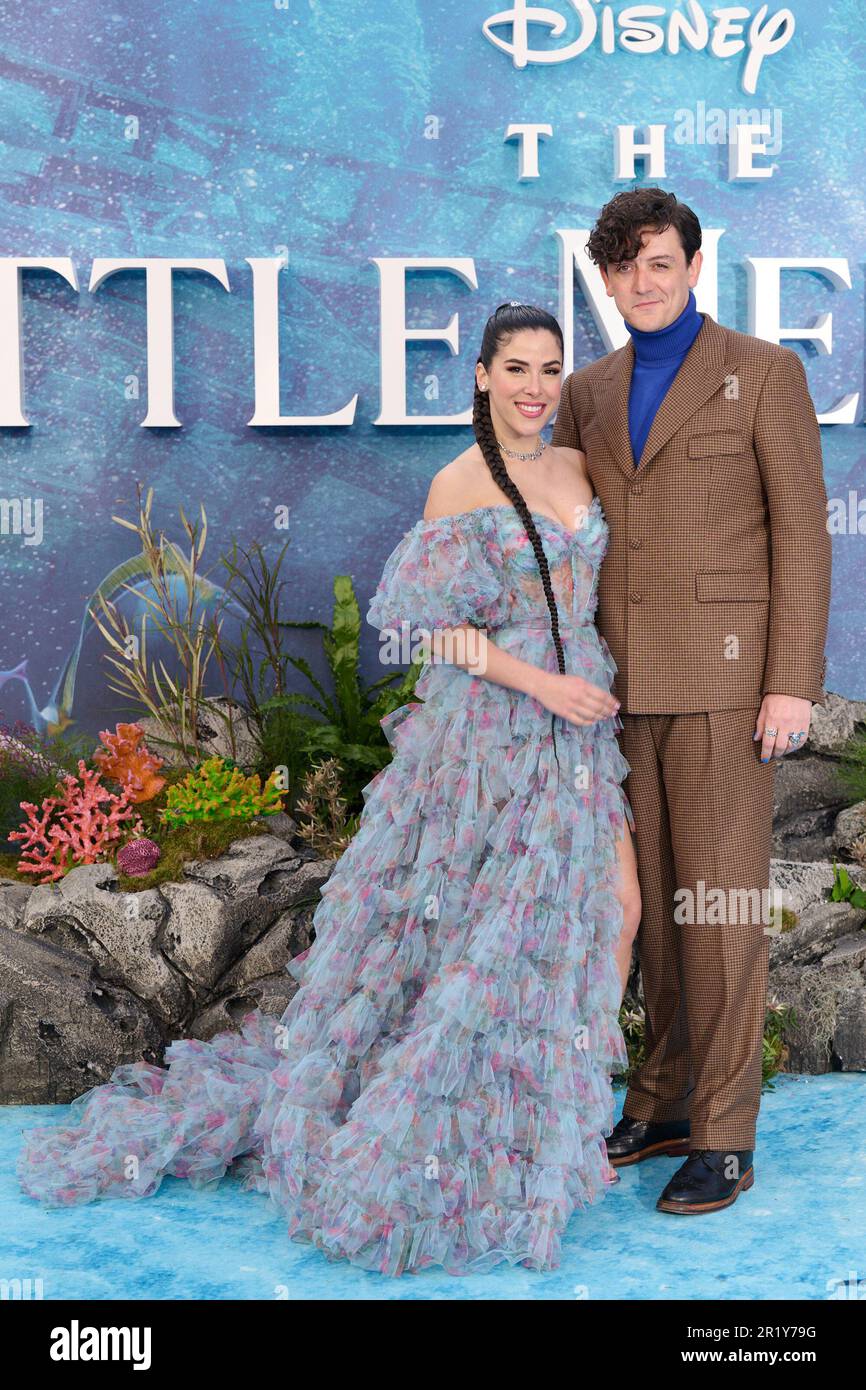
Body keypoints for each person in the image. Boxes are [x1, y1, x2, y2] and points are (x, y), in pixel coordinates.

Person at [16, 301, 641, 1278]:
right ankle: (482, 1141)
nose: (532, 386)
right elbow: (437, 631)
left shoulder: (576, 468)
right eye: (514, 366)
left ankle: (548, 1110)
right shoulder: (456, 483)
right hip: (494, 728)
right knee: (488, 939)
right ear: (479, 375)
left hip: (578, 735)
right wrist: (545, 684)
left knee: (613, 907)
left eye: (549, 368)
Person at [552, 188, 831, 1214]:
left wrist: (787, 682)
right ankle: (661, 1097)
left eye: (659, 262)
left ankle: (722, 1133)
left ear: (693, 265)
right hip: (615, 693)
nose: (643, 282)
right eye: (624, 267)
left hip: (723, 690)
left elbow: (801, 536)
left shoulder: (762, 372)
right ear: (607, 278)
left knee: (716, 916)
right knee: (654, 917)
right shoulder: (586, 389)